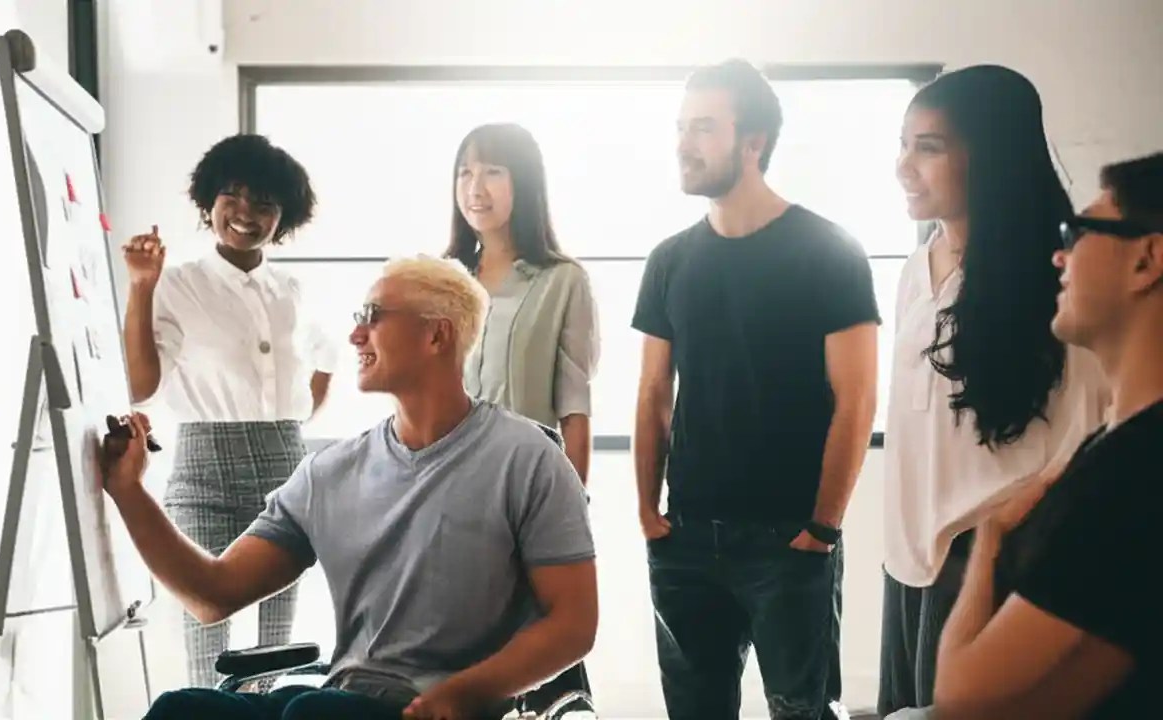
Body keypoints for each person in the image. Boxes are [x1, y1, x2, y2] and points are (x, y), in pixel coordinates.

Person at [104, 256, 599, 720]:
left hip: (448, 707)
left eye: (373, 315)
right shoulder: (331, 472)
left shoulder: (527, 460)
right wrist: (129, 492)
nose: (355, 334)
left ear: (436, 335)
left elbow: (573, 624)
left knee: (313, 712)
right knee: (184, 709)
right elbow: (213, 593)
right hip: (345, 697)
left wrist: (463, 691)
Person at [633, 58, 879, 720]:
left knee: (800, 711)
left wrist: (821, 530)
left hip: (788, 537)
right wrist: (648, 513)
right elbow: (655, 391)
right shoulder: (669, 260)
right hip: (685, 537)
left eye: (704, 127)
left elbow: (856, 399)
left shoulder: (829, 250)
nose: (685, 143)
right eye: (681, 127)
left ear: (754, 141)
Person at [878, 65, 1110, 715]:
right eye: (903, 144)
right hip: (909, 561)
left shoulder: (1060, 277)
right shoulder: (915, 269)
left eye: (928, 147)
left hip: (994, 564)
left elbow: (1093, 437)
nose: (903, 166)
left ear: (991, 155)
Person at [929, 152, 1163, 718]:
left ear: (1148, 259)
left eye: (1079, 232)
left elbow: (962, 701)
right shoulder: (1112, 447)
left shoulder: (1135, 473)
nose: (1060, 255)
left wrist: (989, 541)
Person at [121, 133, 336, 687]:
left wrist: (288, 421)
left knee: (277, 657)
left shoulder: (292, 290)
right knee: (206, 657)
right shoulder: (176, 285)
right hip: (203, 475)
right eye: (232, 196)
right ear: (209, 201)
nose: (245, 213)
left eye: (264, 203)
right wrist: (141, 287)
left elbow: (326, 360)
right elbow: (140, 384)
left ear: (282, 217)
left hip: (288, 473)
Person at [446, 122, 600, 487]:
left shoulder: (564, 280)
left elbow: (574, 409)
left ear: (525, 182)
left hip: (523, 484)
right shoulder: (441, 280)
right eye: (465, 172)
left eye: (493, 172)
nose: (475, 188)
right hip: (442, 483)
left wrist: (573, 508)